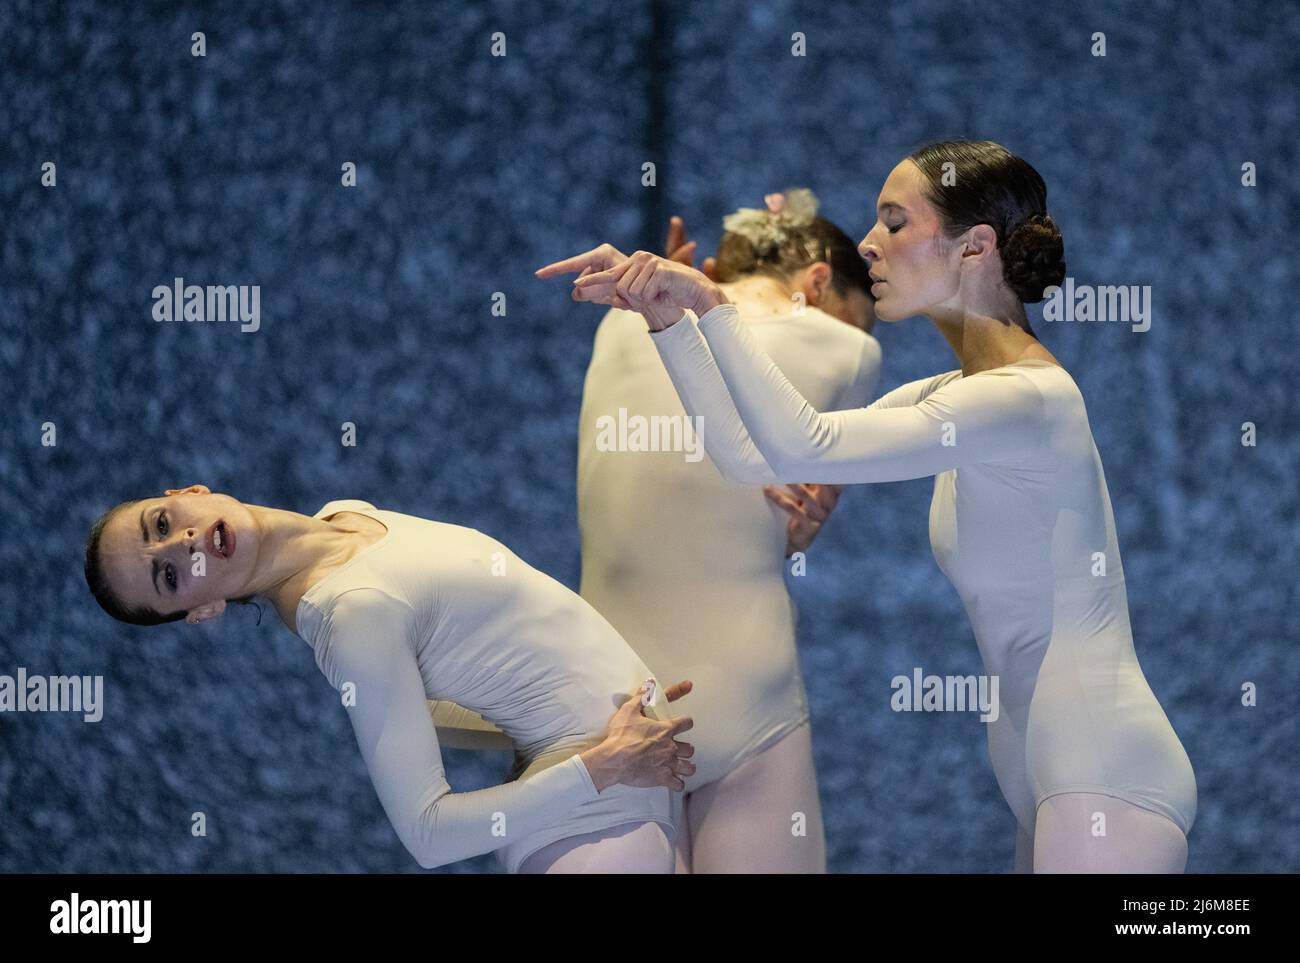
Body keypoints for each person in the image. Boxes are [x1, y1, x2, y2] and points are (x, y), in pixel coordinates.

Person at [544, 139, 1198, 873]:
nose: (867, 243)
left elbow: (804, 441)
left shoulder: (1029, 398)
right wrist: (670, 321)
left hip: (1104, 765)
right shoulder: (956, 394)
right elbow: (752, 457)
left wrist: (711, 303)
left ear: (975, 246)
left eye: (894, 222)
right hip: (1046, 767)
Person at [83, 487, 696, 873]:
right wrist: (602, 764)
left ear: (187, 493)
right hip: (595, 826)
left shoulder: (346, 515)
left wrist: (596, 697)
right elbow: (429, 834)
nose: (184, 544)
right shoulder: (348, 616)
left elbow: (447, 696)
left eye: (160, 524)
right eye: (169, 576)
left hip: (631, 778)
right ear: (202, 611)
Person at [570, 191, 881, 872]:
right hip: (749, 697)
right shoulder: (851, 350)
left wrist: (654, 293)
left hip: (607, 708)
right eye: (858, 313)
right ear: (818, 282)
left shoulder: (616, 325)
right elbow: (799, 505)